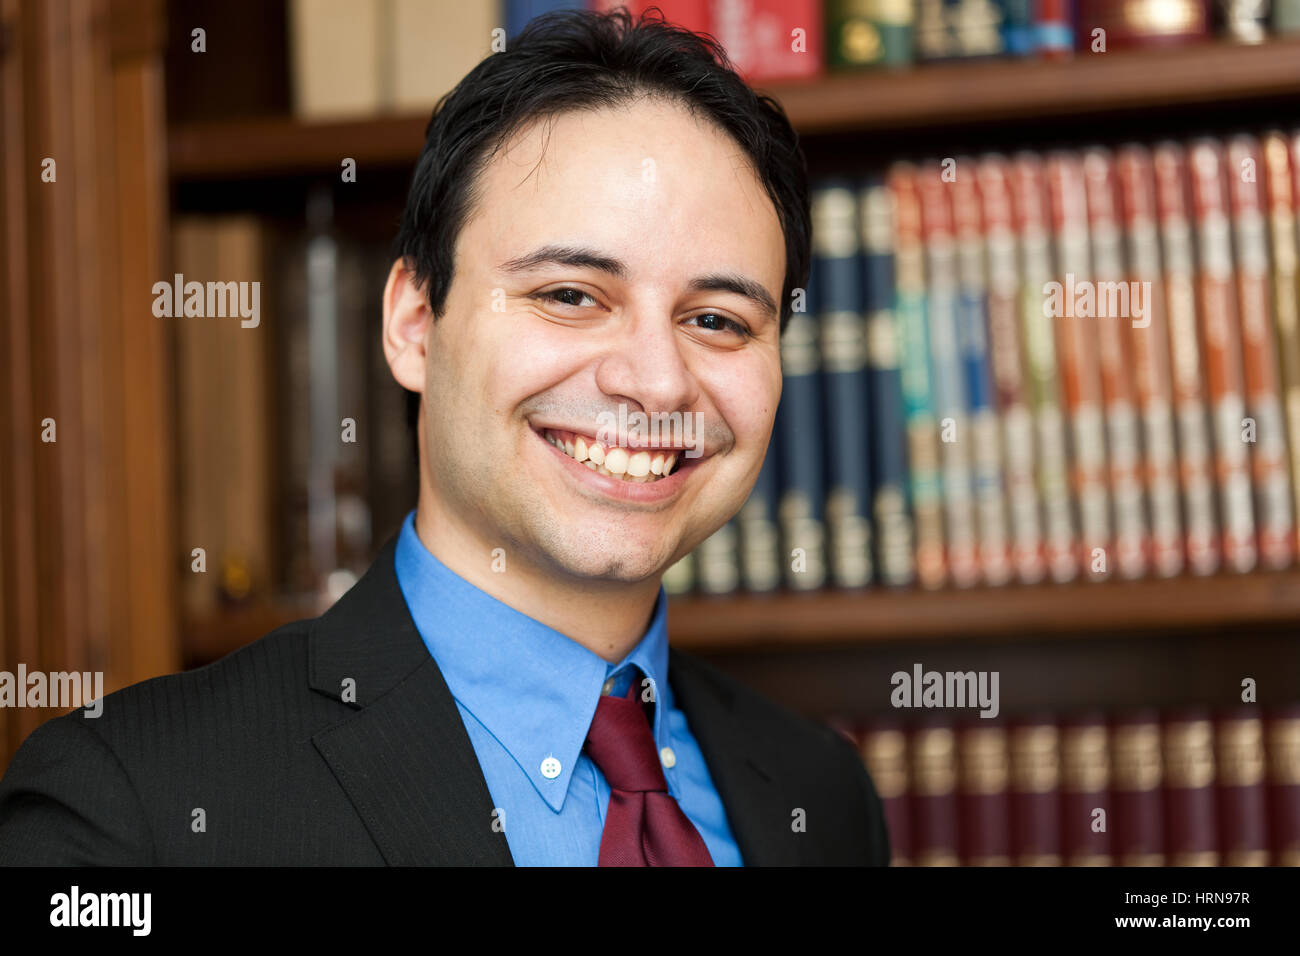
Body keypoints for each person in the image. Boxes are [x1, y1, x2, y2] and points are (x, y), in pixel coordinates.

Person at [0, 8, 888, 866]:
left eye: (717, 319)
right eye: (570, 296)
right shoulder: (132, 806)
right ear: (415, 322)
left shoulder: (820, 794)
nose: (656, 382)